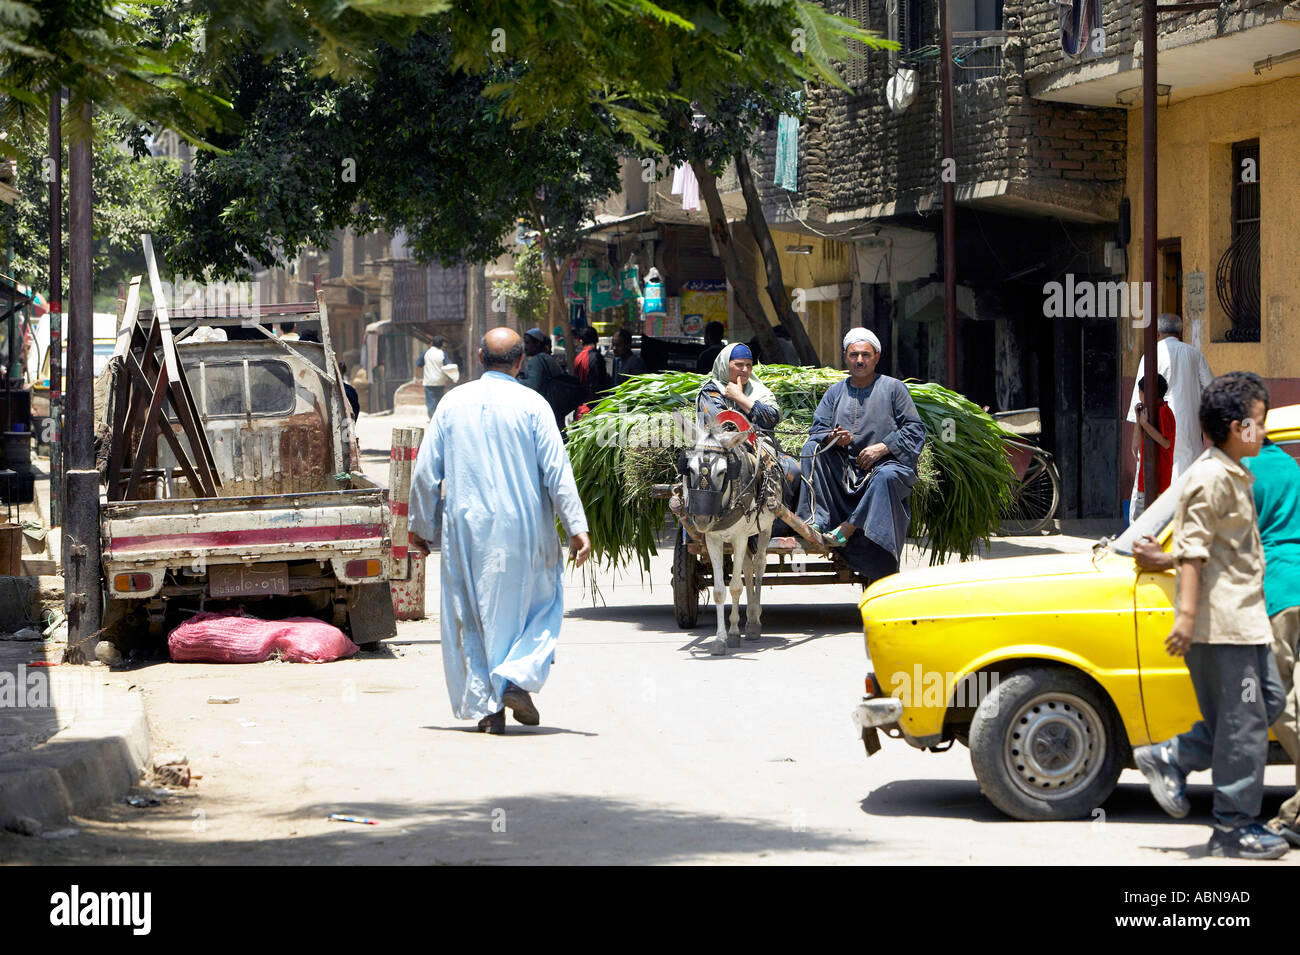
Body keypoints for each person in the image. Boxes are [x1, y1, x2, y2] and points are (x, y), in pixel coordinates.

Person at [1132, 372, 1300, 850]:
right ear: (1231, 427)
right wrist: (1185, 618)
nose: (1263, 432)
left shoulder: (1239, 475)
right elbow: (1191, 551)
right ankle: (1233, 826)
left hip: (1249, 621)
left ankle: (1172, 756)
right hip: (1224, 626)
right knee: (1244, 723)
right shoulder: (1208, 477)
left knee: (1263, 706)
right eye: (1256, 423)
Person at [407, 328, 591, 735]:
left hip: (467, 529)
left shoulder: (452, 403)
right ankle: (513, 677)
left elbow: (425, 473)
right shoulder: (534, 405)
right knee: (541, 605)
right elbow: (557, 471)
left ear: (478, 357)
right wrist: (576, 527)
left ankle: (488, 705)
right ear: (521, 362)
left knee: (471, 616)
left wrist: (420, 528)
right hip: (525, 529)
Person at [796, 327, 926, 581]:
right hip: (845, 472)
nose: (859, 360)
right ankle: (816, 521)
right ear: (846, 357)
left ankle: (850, 526)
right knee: (811, 449)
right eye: (854, 355)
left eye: (865, 355)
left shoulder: (894, 389)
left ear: (876, 357)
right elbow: (817, 430)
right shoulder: (835, 392)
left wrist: (884, 447)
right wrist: (834, 439)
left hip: (885, 468)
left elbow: (915, 430)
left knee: (885, 477)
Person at [1127, 313, 1214, 517]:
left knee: (1149, 480)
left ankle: (1141, 531)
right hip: (1189, 428)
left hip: (1156, 428)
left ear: (1157, 333)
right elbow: (1211, 390)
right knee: (1187, 480)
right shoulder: (1194, 354)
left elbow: (1138, 401)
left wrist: (1135, 436)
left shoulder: (1150, 355)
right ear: (1180, 332)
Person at [696, 342, 780, 436]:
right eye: (739, 364)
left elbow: (772, 419)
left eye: (748, 365)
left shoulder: (758, 389)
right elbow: (721, 430)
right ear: (725, 365)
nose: (745, 369)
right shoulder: (711, 391)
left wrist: (740, 398)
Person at [1131, 373, 1176, 514]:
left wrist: (1145, 424)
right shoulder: (1148, 412)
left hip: (1159, 481)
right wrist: (1139, 420)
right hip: (1145, 479)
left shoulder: (1164, 411)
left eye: (1140, 393)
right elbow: (1137, 442)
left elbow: (1166, 443)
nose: (1139, 397)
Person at [572, 326, 610, 401]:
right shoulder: (596, 357)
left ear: (581, 341)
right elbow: (597, 384)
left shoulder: (578, 358)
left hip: (580, 404)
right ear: (597, 339)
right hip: (593, 406)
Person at [519, 328, 562, 392]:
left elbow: (532, 385)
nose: (525, 347)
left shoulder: (536, 360)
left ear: (537, 343)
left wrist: (515, 381)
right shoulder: (547, 358)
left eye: (527, 342)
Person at [421, 336, 451, 419]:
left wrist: (415, 376)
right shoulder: (443, 353)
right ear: (442, 344)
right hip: (440, 381)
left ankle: (432, 417)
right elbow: (449, 365)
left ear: (432, 343)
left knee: (430, 400)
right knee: (439, 399)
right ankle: (438, 417)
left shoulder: (426, 353)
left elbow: (418, 365)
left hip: (429, 381)